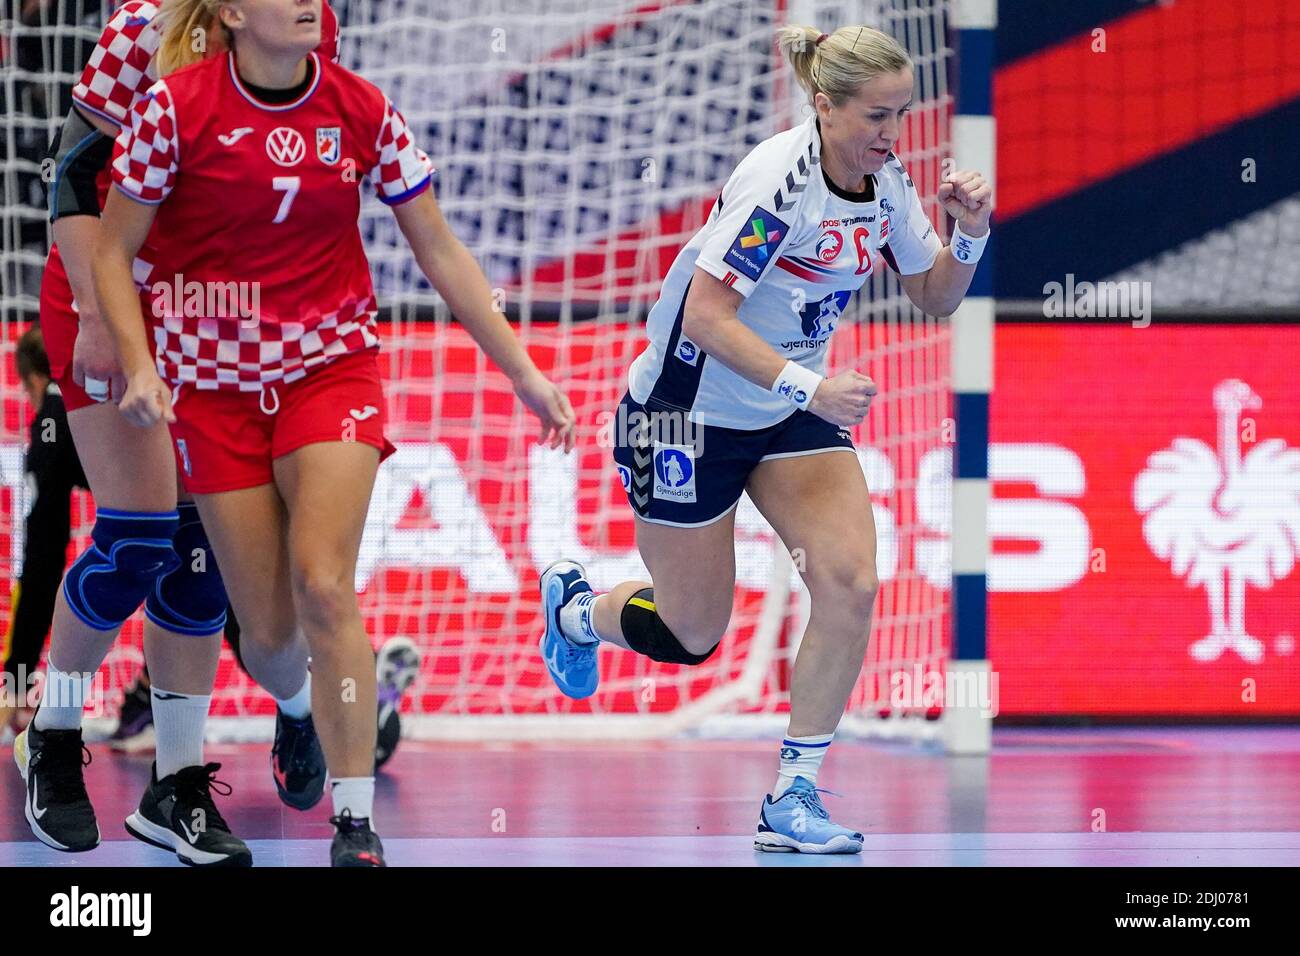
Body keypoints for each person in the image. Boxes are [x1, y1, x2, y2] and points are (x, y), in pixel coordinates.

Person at [95, 0, 575, 866]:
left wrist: (523, 371)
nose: (309, 4)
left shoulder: (359, 107)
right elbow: (112, 250)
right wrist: (138, 364)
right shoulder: (175, 109)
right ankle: (295, 709)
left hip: (330, 371)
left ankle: (354, 826)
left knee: (324, 585)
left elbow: (438, 249)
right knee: (271, 637)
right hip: (210, 387)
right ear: (234, 14)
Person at [538, 24, 991, 853]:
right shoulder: (777, 184)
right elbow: (707, 318)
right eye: (876, 117)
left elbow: (933, 295)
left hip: (788, 411)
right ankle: (576, 612)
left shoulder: (883, 182)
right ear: (825, 105)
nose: (893, 136)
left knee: (851, 583)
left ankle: (794, 794)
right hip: (689, 408)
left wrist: (970, 233)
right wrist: (812, 384)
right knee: (691, 635)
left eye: (902, 116)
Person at [13, 0, 341, 868]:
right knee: (135, 538)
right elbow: (77, 176)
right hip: (108, 292)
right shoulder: (140, 28)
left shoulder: (303, 23)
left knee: (197, 547)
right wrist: (93, 315)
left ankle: (178, 786)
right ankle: (50, 734)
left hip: (215, 313)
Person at [1, 329, 89, 741]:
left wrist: (14, 677)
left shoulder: (53, 417)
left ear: (33, 380)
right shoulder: (80, 403)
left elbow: (43, 552)